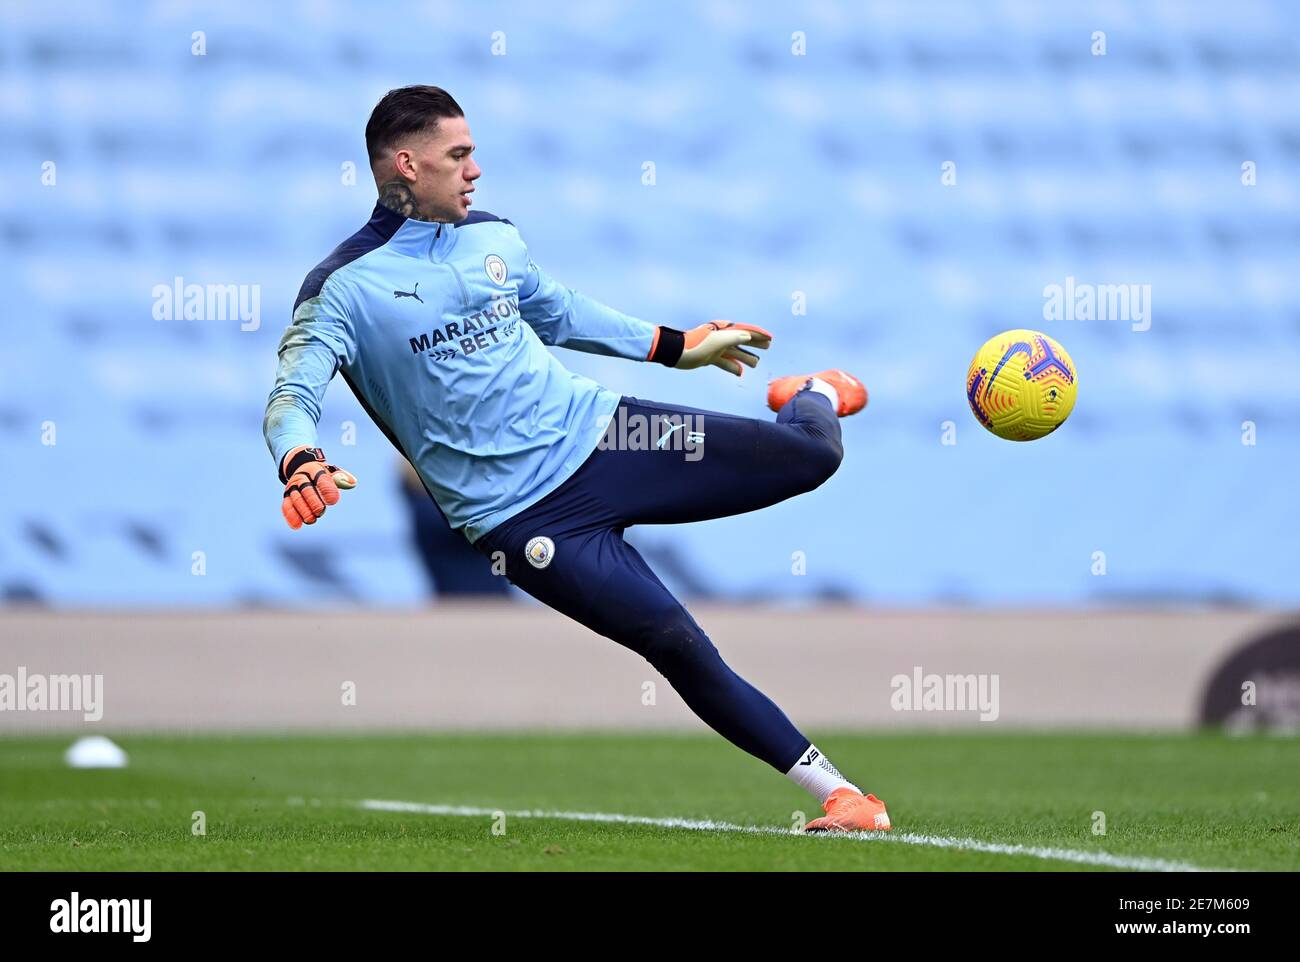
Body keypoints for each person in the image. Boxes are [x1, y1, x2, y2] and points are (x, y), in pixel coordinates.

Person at [263, 85, 888, 832]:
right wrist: (300, 458)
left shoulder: (493, 237)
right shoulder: (342, 289)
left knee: (811, 456)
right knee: (675, 643)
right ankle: (845, 798)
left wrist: (677, 347)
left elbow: (557, 310)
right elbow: (291, 394)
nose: (475, 170)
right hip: (522, 517)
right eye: (458, 155)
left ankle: (813, 391)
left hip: (608, 438)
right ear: (406, 164)